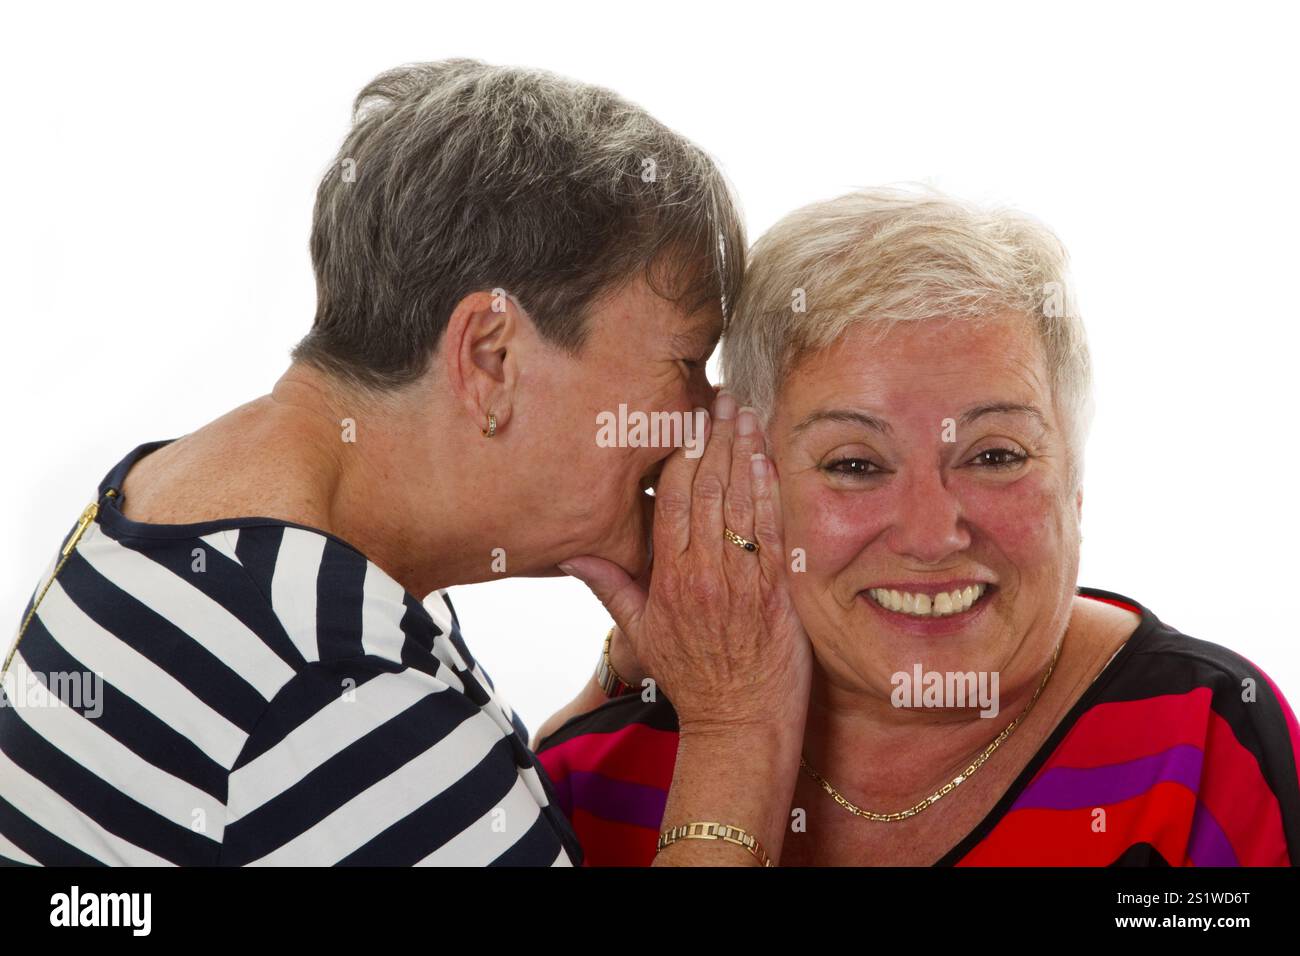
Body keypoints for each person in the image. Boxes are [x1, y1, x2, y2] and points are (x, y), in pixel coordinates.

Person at [0, 59, 813, 867]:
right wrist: (739, 724)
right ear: (491, 357)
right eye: (687, 364)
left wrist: (619, 680)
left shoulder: (176, 500)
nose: (710, 421)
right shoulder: (326, 677)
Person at [535, 188, 1300, 866]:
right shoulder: (598, 775)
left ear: (1075, 475)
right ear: (745, 475)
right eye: (855, 465)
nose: (932, 537)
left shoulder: (1207, 745)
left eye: (995, 455)